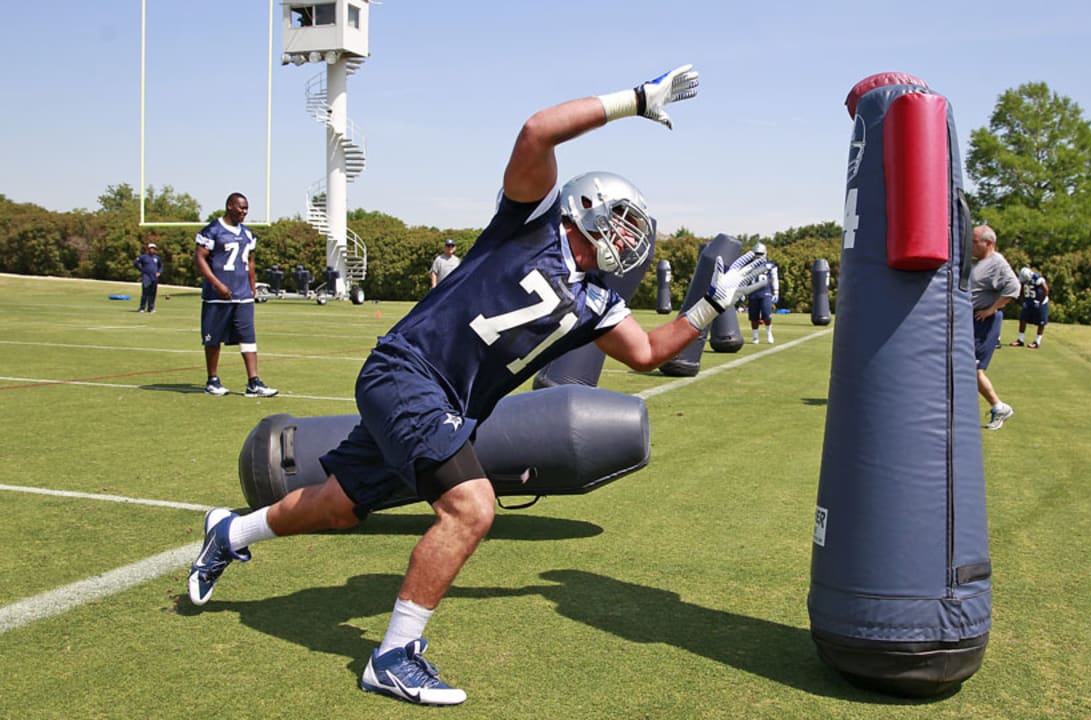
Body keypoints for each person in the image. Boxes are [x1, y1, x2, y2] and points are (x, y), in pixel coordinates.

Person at [187, 64, 757, 707]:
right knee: (472, 506)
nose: (630, 238)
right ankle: (394, 655)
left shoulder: (597, 302)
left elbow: (649, 353)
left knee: (336, 506)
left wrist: (707, 307)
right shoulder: (530, 222)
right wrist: (637, 100)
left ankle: (228, 534)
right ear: (588, 206)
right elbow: (537, 131)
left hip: (447, 404)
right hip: (408, 371)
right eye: (622, 221)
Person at [194, 193, 279, 398]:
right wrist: (217, 284)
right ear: (230, 206)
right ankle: (212, 380)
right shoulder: (212, 231)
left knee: (248, 338)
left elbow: (249, 261)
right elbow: (199, 259)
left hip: (243, 295)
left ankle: (253, 382)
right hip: (217, 296)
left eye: (246, 208)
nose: (244, 212)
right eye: (241, 208)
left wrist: (252, 286)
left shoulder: (248, 234)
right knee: (212, 339)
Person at [970, 225, 1020, 430]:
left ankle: (998, 406)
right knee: (966, 366)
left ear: (988, 243)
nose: (971, 246)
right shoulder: (981, 263)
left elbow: (1014, 288)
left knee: (973, 368)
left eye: (975, 242)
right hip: (973, 320)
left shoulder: (997, 262)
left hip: (985, 322)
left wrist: (991, 310)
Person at [746, 242, 780, 344]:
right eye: (756, 254)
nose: (758, 256)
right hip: (752, 292)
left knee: (767, 314)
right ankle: (755, 337)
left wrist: (776, 292)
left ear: (764, 253)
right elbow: (744, 280)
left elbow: (775, 279)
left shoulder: (770, 265)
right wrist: (742, 293)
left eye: (760, 254)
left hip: (765, 292)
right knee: (753, 317)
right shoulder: (748, 266)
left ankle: (769, 333)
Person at [1010, 266, 1050, 348]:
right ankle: (1020, 340)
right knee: (1023, 319)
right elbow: (1021, 288)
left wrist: (1040, 302)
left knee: (1041, 322)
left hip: (1039, 302)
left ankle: (1037, 342)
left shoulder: (1037, 278)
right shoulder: (1023, 278)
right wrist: (1023, 299)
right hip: (1029, 301)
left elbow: (1046, 290)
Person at [133, 242, 163, 313]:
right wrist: (142, 269)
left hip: (154, 278)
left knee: (152, 293)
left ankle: (151, 308)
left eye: (154, 249)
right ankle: (142, 308)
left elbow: (161, 266)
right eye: (151, 248)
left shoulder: (157, 258)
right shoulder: (144, 257)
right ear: (148, 249)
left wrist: (159, 272)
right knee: (145, 293)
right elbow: (136, 263)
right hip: (146, 277)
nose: (152, 250)